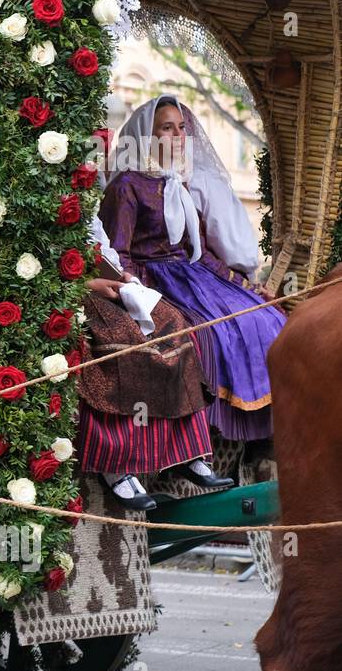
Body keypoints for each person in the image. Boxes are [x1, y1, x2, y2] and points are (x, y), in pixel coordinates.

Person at [99, 95, 284, 446]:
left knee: (260, 315)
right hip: (151, 277)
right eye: (167, 129)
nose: (178, 136)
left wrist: (242, 283)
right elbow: (117, 252)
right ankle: (207, 436)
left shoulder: (179, 184)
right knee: (208, 333)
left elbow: (196, 251)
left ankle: (264, 432)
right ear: (146, 137)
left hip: (190, 273)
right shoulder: (126, 185)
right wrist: (133, 288)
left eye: (182, 128)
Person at [77, 216, 235, 510]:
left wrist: (124, 277)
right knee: (124, 341)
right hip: (72, 292)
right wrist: (88, 283)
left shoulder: (83, 195)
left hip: (105, 285)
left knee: (175, 322)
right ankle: (116, 466)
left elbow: (101, 245)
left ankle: (186, 453)